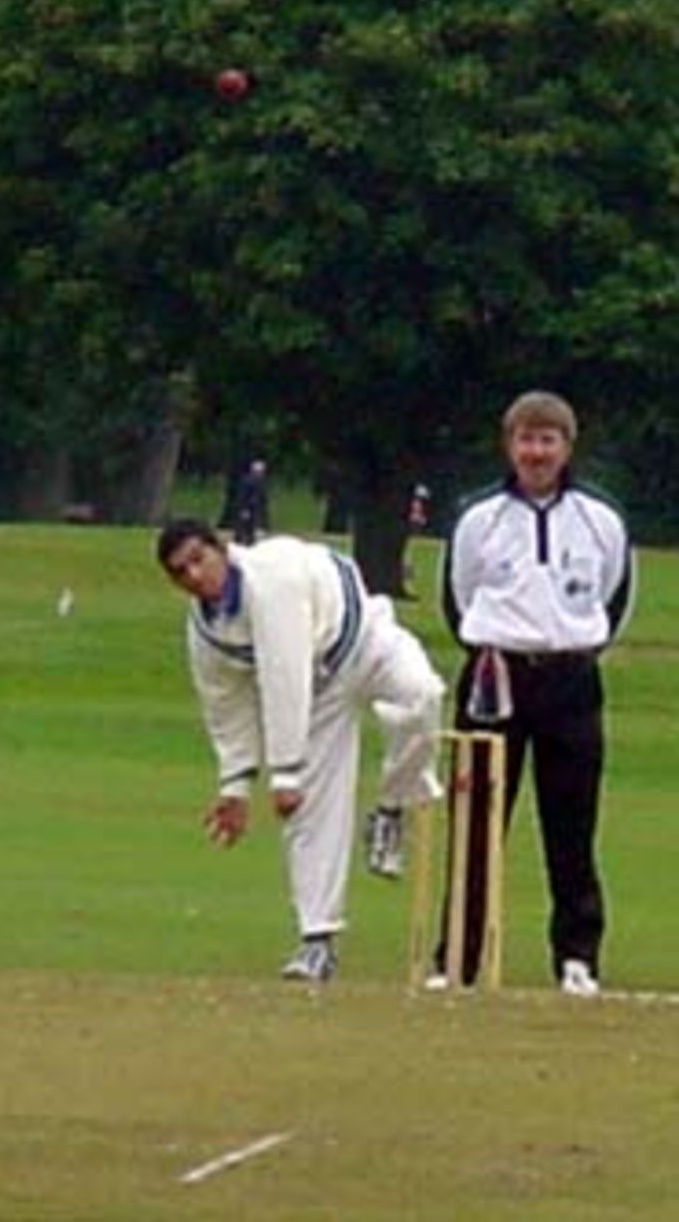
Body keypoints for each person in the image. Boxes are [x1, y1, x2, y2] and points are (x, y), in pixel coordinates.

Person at [156, 519, 445, 982]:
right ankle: (317, 941)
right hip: (320, 691)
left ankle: (391, 809)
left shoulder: (270, 580)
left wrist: (285, 774)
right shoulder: (205, 632)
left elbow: (283, 671)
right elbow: (225, 706)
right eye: (180, 572)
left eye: (198, 559)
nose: (193, 575)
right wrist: (235, 787)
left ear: (223, 549)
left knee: (422, 696)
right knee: (310, 812)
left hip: (366, 641)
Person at [437, 391, 634, 996]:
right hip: (495, 676)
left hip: (571, 678)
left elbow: (615, 599)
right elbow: (459, 597)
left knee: (571, 823)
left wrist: (568, 649)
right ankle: (458, 958)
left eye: (548, 440)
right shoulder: (480, 517)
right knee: (476, 823)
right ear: (510, 445)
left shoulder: (600, 518)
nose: (536, 452)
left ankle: (577, 956)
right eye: (526, 439)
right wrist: (500, 650)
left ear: (566, 447)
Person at [231, 458, 271, 545]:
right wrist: (244, 509)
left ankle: (251, 542)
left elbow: (262, 498)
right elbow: (242, 496)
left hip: (257, 510)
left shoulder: (262, 481)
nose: (262, 473)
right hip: (249, 509)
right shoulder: (247, 481)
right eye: (260, 471)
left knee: (254, 530)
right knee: (246, 529)